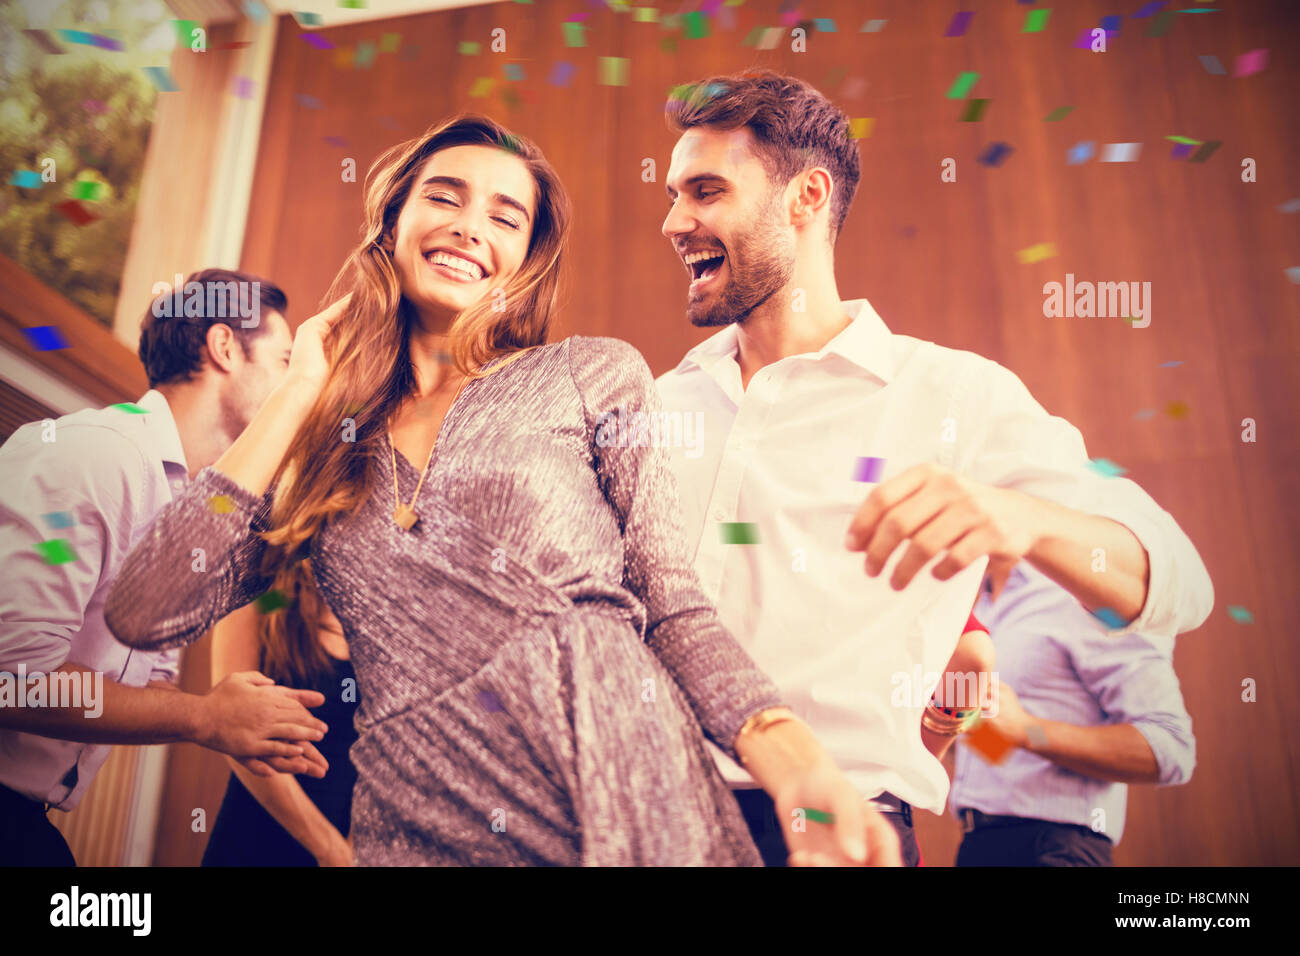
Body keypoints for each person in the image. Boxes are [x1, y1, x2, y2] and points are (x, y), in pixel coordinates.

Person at [105, 115, 901, 866]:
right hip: (416, 815)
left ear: (525, 259)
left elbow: (671, 604)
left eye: (504, 216)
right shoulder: (322, 439)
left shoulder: (591, 374)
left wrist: (797, 768)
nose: (468, 226)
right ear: (392, 223)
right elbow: (146, 610)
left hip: (620, 779)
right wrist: (298, 390)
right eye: (443, 198)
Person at [654, 70, 1214, 866]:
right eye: (674, 194)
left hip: (831, 837)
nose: (676, 220)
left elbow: (1181, 585)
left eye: (706, 190)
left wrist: (1024, 518)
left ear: (806, 198)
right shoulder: (650, 404)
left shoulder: (955, 395)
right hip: (629, 825)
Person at [0, 269, 328, 866]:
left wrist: (238, 720)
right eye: (286, 362)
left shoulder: (193, 512)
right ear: (225, 347)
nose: (299, 393)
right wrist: (204, 715)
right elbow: (12, 677)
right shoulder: (94, 456)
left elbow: (146, 681)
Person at [950, 564, 1195, 866]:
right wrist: (961, 722)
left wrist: (1028, 731)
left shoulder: (1082, 597)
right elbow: (1011, 753)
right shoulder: (977, 602)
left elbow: (1169, 746)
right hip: (978, 844)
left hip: (1056, 850)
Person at [202, 559, 359, 867]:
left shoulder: (381, 613)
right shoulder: (262, 593)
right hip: (253, 844)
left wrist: (355, 849)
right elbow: (231, 730)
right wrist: (329, 849)